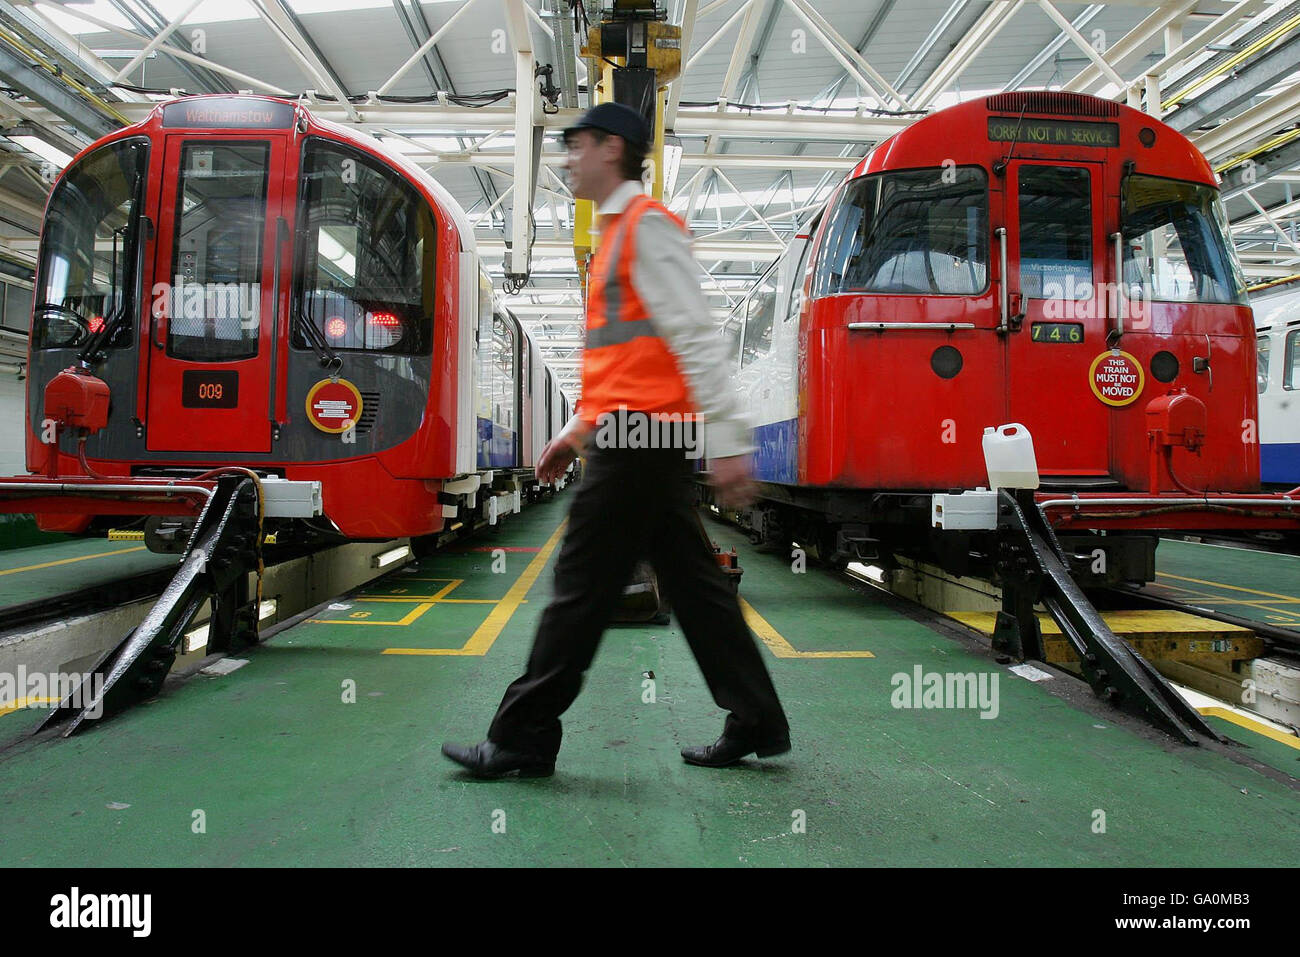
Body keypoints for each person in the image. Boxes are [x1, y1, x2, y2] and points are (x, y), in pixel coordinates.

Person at [441, 102, 789, 778]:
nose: (568, 160)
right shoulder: (616, 238)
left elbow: (695, 336)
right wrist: (575, 431)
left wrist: (727, 438)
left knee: (580, 587)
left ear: (611, 148)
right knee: (693, 586)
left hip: (639, 444)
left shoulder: (645, 230)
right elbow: (619, 361)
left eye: (577, 146)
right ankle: (757, 718)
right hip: (636, 440)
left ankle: (522, 736)